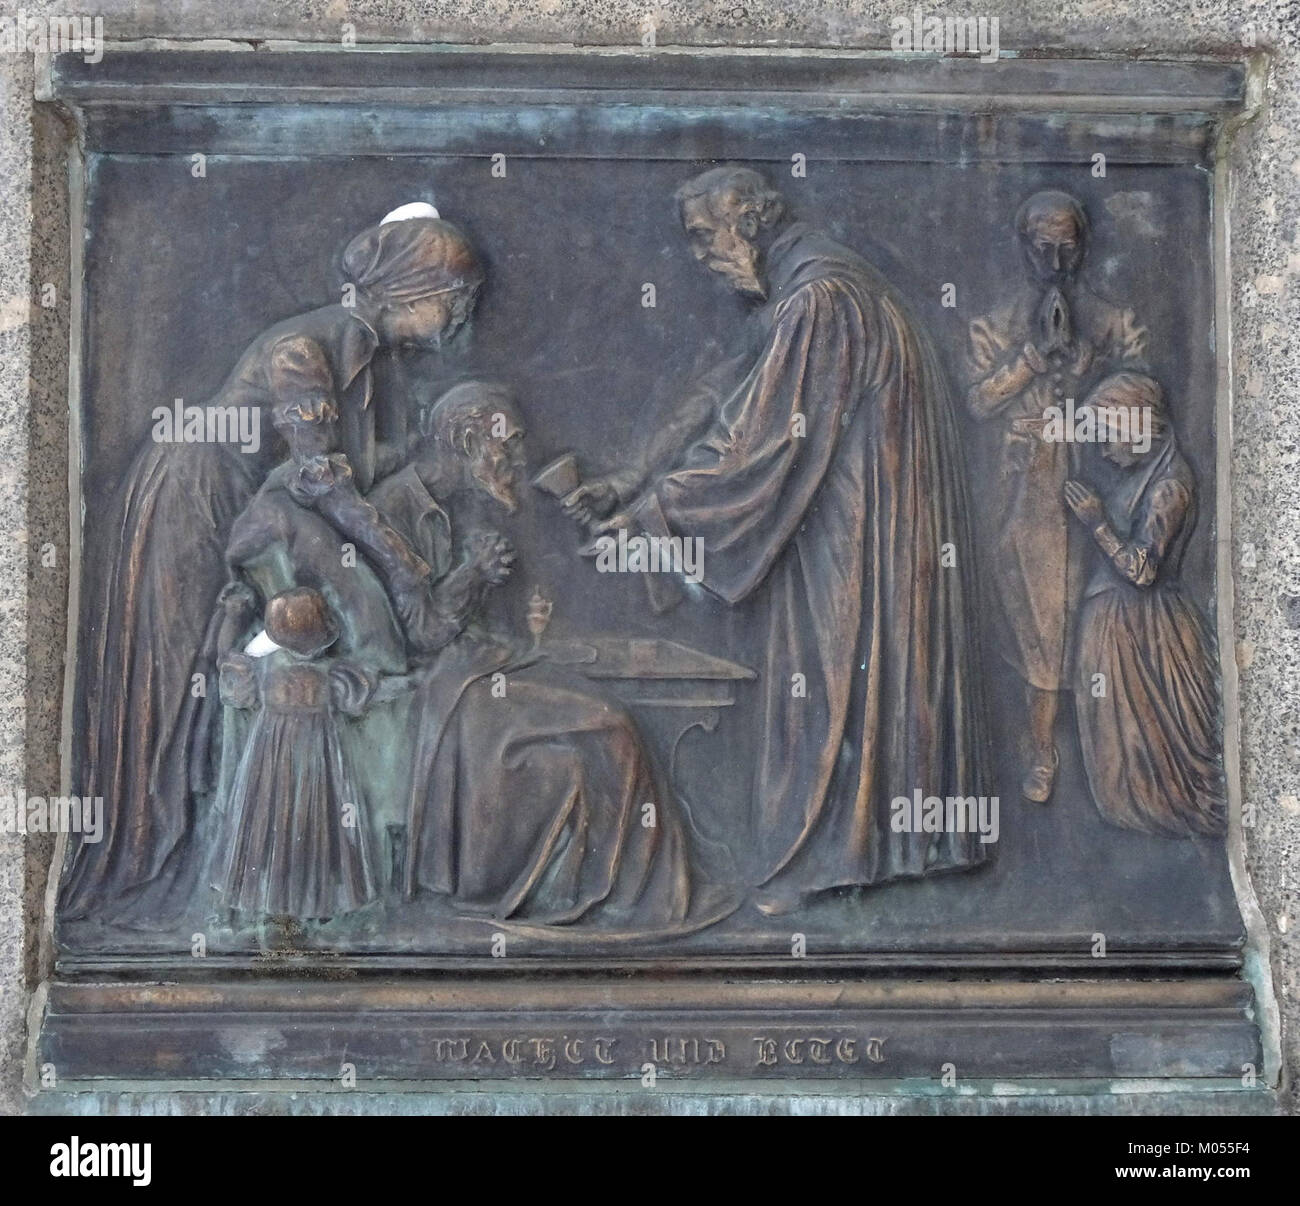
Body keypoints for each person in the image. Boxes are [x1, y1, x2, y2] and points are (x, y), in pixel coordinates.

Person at [565, 166, 991, 915]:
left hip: (852, 533)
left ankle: (822, 858)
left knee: (834, 676)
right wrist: (634, 478)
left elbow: (761, 445)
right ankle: (871, 849)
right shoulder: (811, 292)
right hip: (861, 520)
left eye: (705, 237)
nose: (700, 256)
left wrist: (654, 519)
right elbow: (728, 391)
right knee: (861, 674)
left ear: (751, 224)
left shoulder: (821, 301)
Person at [62, 204, 484, 924]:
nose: (463, 314)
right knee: (179, 675)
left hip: (245, 510)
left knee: (214, 670)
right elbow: (322, 480)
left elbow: (344, 478)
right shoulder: (303, 353)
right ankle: (154, 852)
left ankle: (189, 844)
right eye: (455, 297)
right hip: (195, 501)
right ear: (409, 292)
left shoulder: (366, 364)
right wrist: (404, 564)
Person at [371, 382, 706, 932]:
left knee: (610, 726)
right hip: (450, 692)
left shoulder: (467, 499)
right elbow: (419, 633)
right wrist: (473, 575)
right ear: (467, 440)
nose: (517, 459)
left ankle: (620, 898)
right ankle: (613, 900)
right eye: (506, 444)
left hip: (489, 668)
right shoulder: (394, 509)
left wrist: (524, 624)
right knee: (611, 727)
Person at [966, 190, 1148, 803]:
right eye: (1043, 247)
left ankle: (1115, 751)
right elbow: (978, 402)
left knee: (1102, 624)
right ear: (1025, 246)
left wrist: (1100, 380)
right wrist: (1031, 361)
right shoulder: (992, 325)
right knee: (1043, 630)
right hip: (1028, 499)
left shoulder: (1116, 320)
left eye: (1067, 247)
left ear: (1083, 246)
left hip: (1107, 486)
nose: (1055, 261)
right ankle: (1041, 749)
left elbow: (1148, 403)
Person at [1063, 373, 1227, 837]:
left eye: (1108, 437)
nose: (1104, 452)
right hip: (1123, 623)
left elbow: (1142, 570)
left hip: (1145, 631)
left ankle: (1162, 806)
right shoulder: (1148, 473)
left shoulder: (1169, 488)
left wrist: (1097, 523)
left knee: (1151, 754)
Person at [212, 588, 383, 921]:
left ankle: (283, 900)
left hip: (278, 753)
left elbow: (230, 681)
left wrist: (232, 622)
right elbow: (363, 695)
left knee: (276, 816)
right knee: (309, 818)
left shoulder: (261, 670)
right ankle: (312, 900)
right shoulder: (333, 674)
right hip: (310, 753)